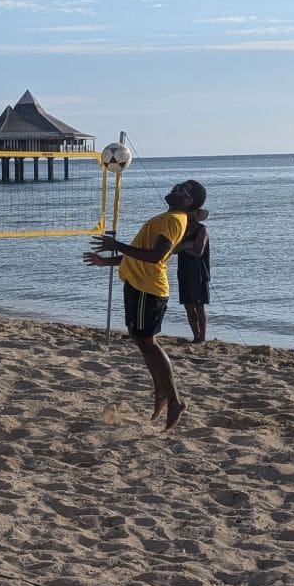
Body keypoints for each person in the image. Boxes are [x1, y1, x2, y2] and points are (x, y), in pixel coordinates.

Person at [83, 179, 206, 432]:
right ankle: (162, 392)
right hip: (138, 285)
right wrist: (105, 261)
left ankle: (174, 401)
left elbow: (156, 256)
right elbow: (141, 253)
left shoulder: (174, 221)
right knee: (143, 342)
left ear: (188, 200)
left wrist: (115, 245)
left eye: (180, 189)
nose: (173, 189)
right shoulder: (168, 217)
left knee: (148, 343)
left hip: (147, 289)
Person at [176, 208, 211, 343]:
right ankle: (195, 335)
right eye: (188, 212)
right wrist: (186, 245)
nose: (189, 214)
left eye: (193, 212)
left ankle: (202, 337)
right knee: (188, 307)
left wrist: (184, 247)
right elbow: (174, 249)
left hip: (199, 272)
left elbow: (198, 252)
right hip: (183, 271)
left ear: (197, 214)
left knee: (199, 307)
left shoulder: (203, 230)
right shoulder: (182, 229)